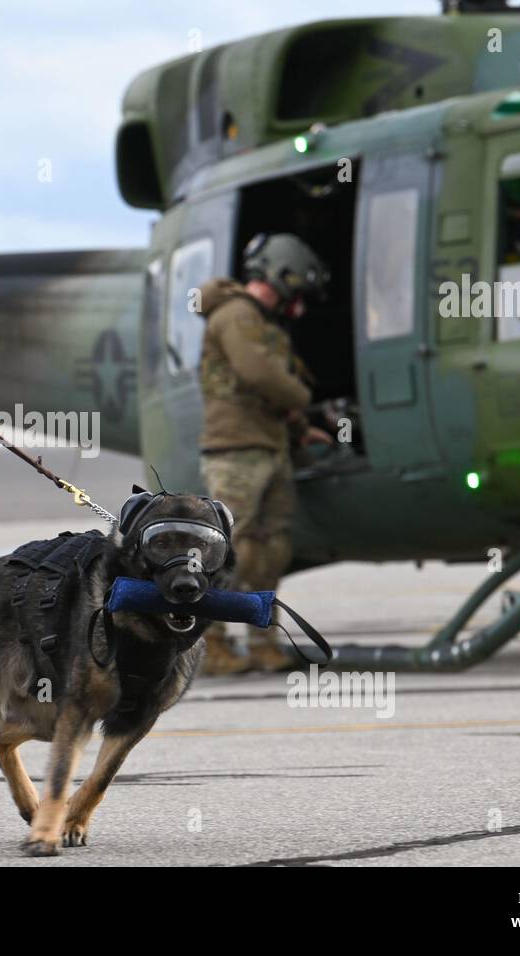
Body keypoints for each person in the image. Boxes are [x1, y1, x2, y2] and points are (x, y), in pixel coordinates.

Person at [196, 233, 331, 676]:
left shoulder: (259, 322)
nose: (299, 305)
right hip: (236, 450)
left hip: (268, 446)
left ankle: (261, 640)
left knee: (270, 549)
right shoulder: (236, 315)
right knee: (229, 549)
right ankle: (210, 643)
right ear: (285, 274)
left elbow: (271, 395)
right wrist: (302, 397)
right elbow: (258, 374)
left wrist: (300, 429)